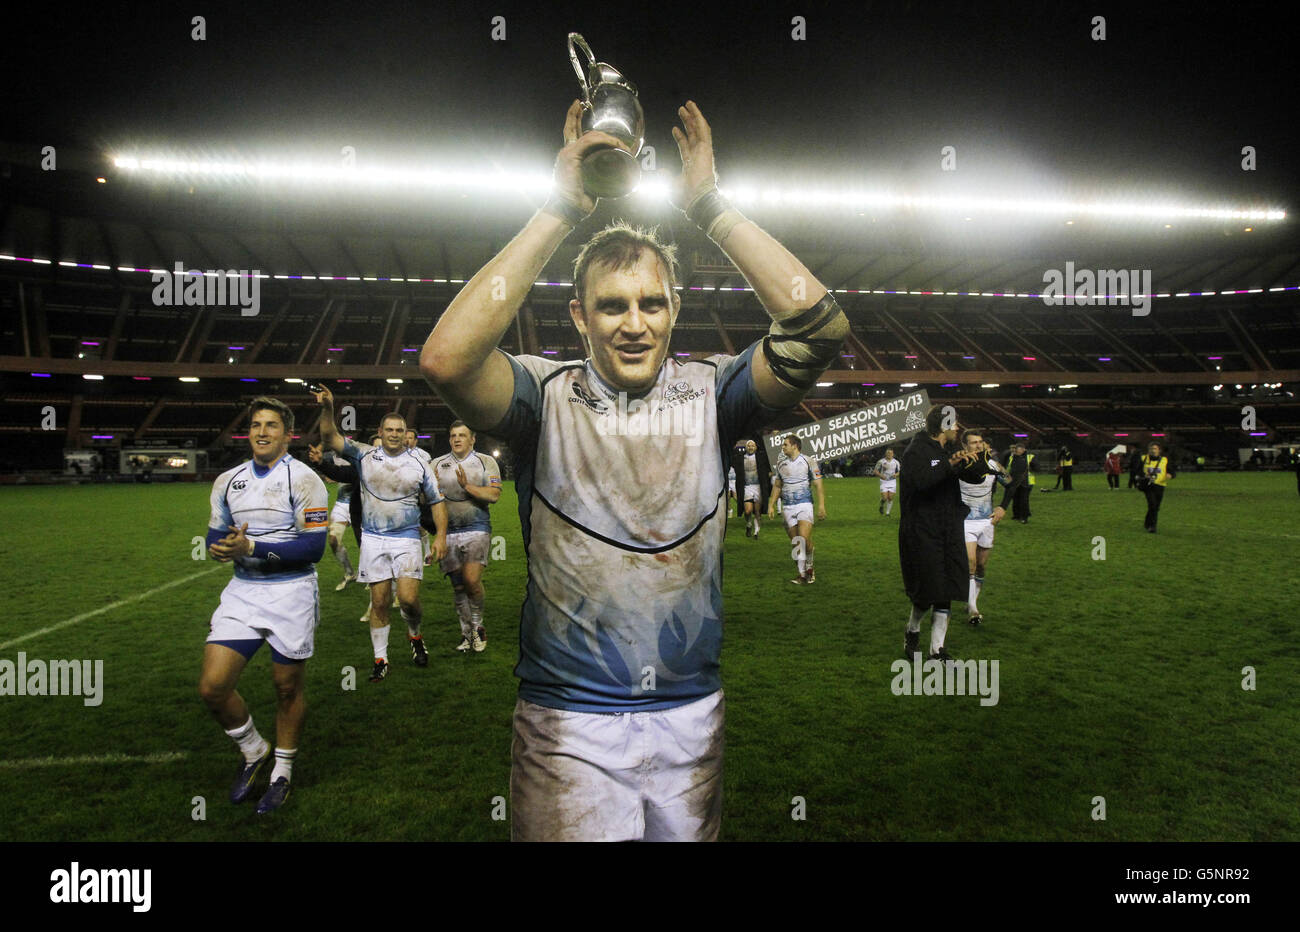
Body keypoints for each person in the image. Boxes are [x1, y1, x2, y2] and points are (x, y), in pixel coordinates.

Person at [419, 99, 848, 841]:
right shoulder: (540, 397)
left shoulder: (713, 393)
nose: (634, 322)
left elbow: (819, 327)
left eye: (652, 303)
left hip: (691, 716)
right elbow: (446, 359)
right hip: (568, 723)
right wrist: (560, 208)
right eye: (611, 306)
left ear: (675, 307)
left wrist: (709, 206)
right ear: (580, 318)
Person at [198, 397, 328, 814]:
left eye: (271, 425)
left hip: (291, 592)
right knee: (213, 687)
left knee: (286, 687)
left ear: (287, 434)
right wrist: (221, 549)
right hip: (244, 590)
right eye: (256, 424)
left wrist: (252, 545)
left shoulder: (305, 479)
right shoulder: (227, 480)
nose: (262, 432)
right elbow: (214, 535)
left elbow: (313, 548)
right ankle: (254, 749)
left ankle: (282, 771)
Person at [315, 388, 448, 680]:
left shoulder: (420, 464)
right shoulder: (363, 454)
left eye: (399, 430)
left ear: (405, 433)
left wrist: (440, 537)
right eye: (389, 429)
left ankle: (415, 636)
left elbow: (437, 502)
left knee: (409, 600)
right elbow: (330, 438)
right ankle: (381, 659)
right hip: (374, 540)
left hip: (408, 539)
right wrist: (328, 408)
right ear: (380, 431)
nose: (395, 434)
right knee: (379, 602)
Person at [898, 406, 979, 661]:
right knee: (928, 591)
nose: (958, 428)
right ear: (942, 426)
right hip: (923, 531)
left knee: (948, 589)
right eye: (954, 424)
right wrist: (948, 464)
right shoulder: (916, 451)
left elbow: (963, 478)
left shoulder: (946, 452)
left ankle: (937, 650)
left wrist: (974, 464)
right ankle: (912, 629)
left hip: (948, 529)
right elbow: (923, 482)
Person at [431, 420, 502, 652]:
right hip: (448, 531)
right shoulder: (437, 464)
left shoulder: (486, 462)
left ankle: (478, 627)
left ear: (472, 439)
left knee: (471, 581)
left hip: (477, 526)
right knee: (458, 586)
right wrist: (429, 488)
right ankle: (466, 633)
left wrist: (467, 486)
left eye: (462, 435)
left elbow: (493, 495)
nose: (457, 439)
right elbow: (426, 502)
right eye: (453, 435)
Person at [956, 430, 1010, 625]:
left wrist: (1002, 506)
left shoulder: (993, 465)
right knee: (970, 563)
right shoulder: (959, 465)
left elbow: (1011, 483)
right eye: (973, 443)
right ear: (964, 446)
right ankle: (974, 610)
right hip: (965, 521)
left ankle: (972, 600)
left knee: (981, 566)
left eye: (980, 442)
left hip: (987, 522)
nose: (978, 445)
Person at [767, 434, 826, 585]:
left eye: (785, 444)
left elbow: (818, 484)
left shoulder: (808, 461)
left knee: (803, 539)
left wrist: (821, 505)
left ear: (794, 446)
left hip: (804, 504)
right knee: (796, 543)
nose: (783, 447)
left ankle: (809, 567)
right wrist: (771, 504)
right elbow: (778, 485)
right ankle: (802, 575)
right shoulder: (781, 464)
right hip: (787, 506)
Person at [731, 439, 771, 538]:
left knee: (757, 511)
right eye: (749, 445)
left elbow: (769, 464)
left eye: (752, 445)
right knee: (748, 510)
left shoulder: (761, 457)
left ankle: (756, 532)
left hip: (758, 487)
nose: (750, 447)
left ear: (756, 447)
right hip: (747, 487)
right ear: (745, 447)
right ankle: (749, 524)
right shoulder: (740, 458)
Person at [1139, 441, 1172, 532]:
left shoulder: (1165, 460)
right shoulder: (1143, 459)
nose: (1153, 451)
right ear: (1148, 450)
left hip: (1160, 485)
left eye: (1155, 449)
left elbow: (1172, 471)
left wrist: (1170, 475)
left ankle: (1147, 522)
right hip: (1148, 486)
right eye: (1151, 449)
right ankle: (1152, 527)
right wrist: (1143, 475)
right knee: (1152, 504)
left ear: (1159, 450)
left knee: (1156, 507)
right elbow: (1136, 470)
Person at [1000, 442, 1033, 522]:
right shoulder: (1011, 457)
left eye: (1015, 449)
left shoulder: (1029, 457)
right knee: (1016, 499)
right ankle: (1016, 515)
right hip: (1014, 481)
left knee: (1024, 500)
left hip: (1026, 481)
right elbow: (1007, 467)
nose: (1014, 450)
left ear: (1023, 449)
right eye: (1013, 449)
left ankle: (1024, 517)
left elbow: (1036, 467)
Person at [872, 447, 900, 515]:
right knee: (884, 497)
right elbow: (875, 471)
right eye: (888, 453)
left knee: (890, 498)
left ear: (893, 454)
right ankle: (881, 505)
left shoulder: (896, 462)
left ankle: (887, 513)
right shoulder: (881, 462)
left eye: (890, 453)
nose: (889, 454)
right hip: (883, 481)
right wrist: (881, 475)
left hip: (892, 481)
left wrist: (896, 475)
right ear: (885, 454)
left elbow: (900, 472)